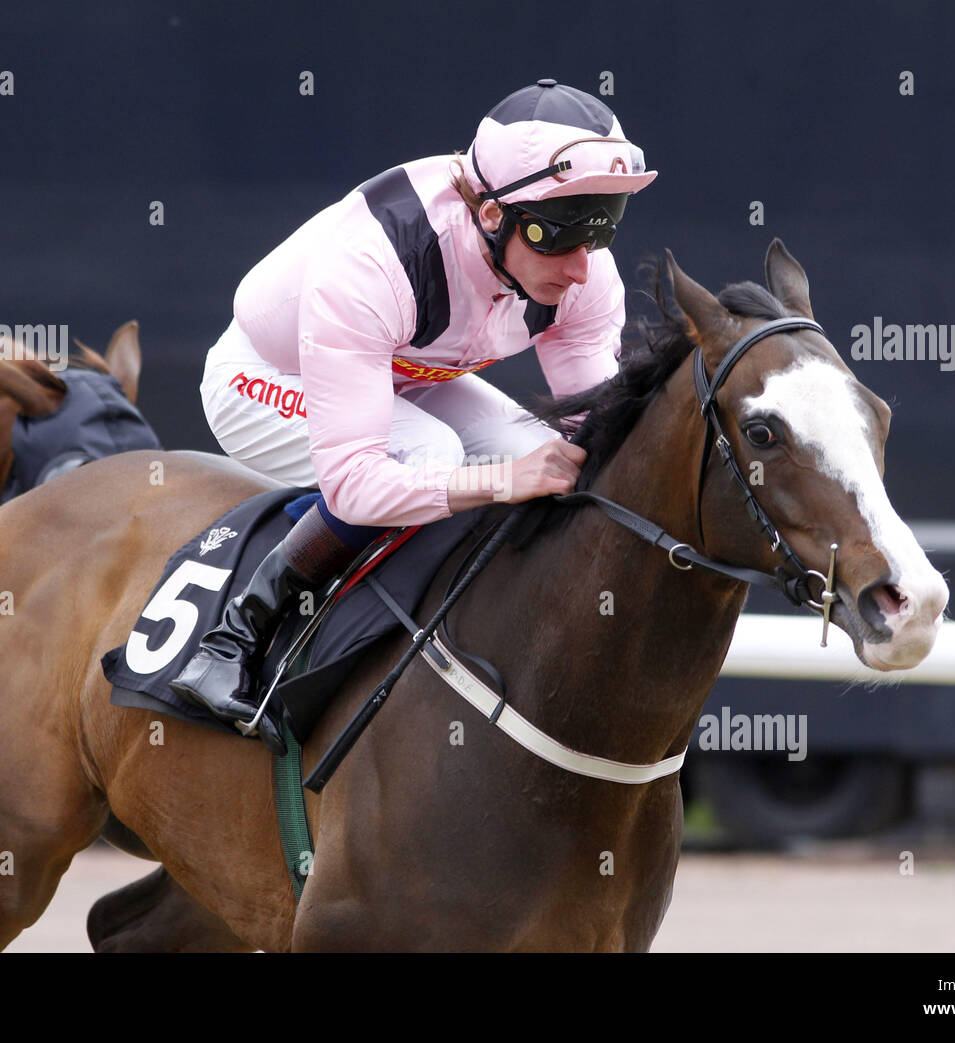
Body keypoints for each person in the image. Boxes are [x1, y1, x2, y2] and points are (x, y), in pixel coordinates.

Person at [171, 79, 658, 753]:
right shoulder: (375, 262)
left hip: (401, 371)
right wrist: (503, 481)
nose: (581, 269)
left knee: (541, 450)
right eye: (563, 236)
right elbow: (356, 487)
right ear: (493, 215)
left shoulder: (579, 270)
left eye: (600, 231)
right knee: (437, 457)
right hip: (267, 374)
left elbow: (595, 427)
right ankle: (237, 635)